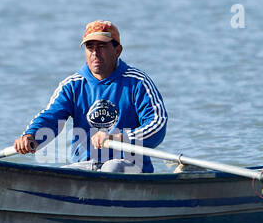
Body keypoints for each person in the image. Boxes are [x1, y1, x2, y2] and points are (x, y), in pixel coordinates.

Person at [13, 20, 167, 172]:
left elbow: (157, 124)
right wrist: (31, 135)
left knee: (111, 168)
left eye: (102, 46)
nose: (95, 53)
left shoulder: (137, 82)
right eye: (90, 47)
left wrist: (119, 137)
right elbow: (51, 117)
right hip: (87, 165)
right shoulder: (72, 85)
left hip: (130, 166)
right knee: (65, 173)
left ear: (117, 51)